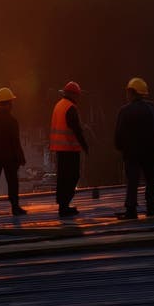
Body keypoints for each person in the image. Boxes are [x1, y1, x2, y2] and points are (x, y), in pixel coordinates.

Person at [114, 77, 154, 220]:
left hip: (131, 153)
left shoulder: (125, 111)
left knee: (132, 181)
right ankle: (151, 207)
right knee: (151, 180)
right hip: (149, 152)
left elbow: (119, 133)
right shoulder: (152, 108)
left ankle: (131, 210)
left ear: (132, 93)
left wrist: (120, 147)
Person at [0, 86, 27, 218]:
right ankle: (15, 207)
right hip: (9, 157)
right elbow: (15, 141)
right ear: (8, 103)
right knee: (12, 182)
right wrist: (20, 157)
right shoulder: (12, 121)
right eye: (11, 102)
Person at [49, 80, 89, 217]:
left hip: (60, 149)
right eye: (78, 95)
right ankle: (64, 205)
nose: (79, 98)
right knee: (72, 177)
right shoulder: (70, 107)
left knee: (63, 178)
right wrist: (85, 146)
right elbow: (76, 130)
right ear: (73, 95)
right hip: (70, 149)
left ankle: (62, 205)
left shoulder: (59, 105)